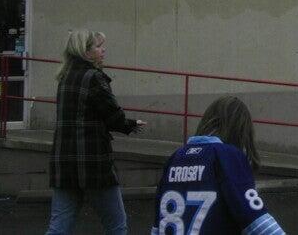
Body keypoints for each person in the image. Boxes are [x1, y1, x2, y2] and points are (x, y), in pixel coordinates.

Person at [46, 30, 146, 235]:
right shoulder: (94, 77)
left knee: (59, 227)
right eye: (99, 46)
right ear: (86, 51)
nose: (103, 50)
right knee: (116, 225)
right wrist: (131, 124)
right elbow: (113, 116)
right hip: (92, 163)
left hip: (64, 162)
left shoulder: (64, 77)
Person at [152, 96, 285, 235]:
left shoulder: (175, 158)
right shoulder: (227, 156)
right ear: (240, 129)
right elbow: (258, 222)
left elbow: (156, 228)